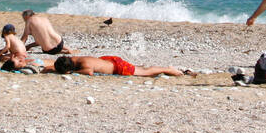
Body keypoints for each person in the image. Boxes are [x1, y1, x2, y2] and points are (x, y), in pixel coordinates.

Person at [52, 54, 185, 78]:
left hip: (117, 67)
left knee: (144, 72)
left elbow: (89, 72)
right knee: (141, 69)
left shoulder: (84, 65)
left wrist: (72, 73)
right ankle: (167, 69)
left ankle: (169, 69)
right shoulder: (75, 59)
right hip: (110, 60)